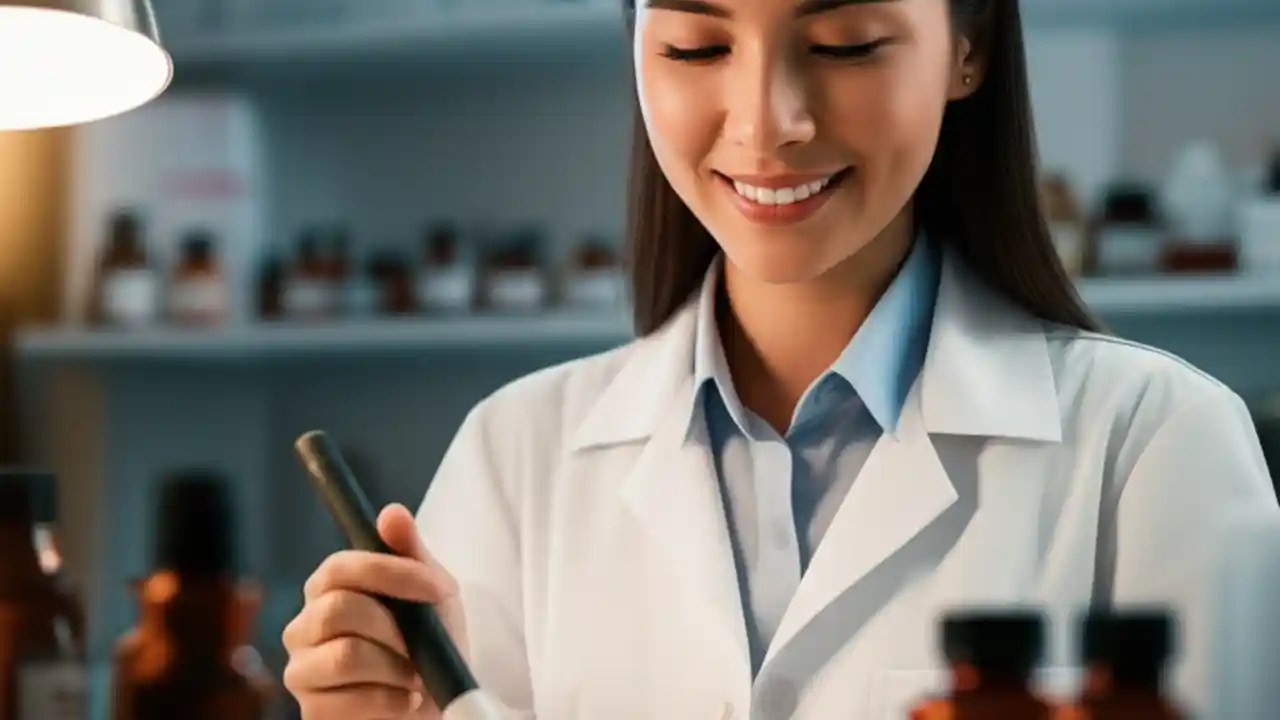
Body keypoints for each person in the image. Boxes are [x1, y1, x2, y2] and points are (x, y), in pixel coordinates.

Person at [281, 0, 1280, 718]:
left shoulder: (1154, 445)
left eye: (844, 43)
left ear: (966, 49)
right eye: (696, 44)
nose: (766, 123)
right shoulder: (514, 456)